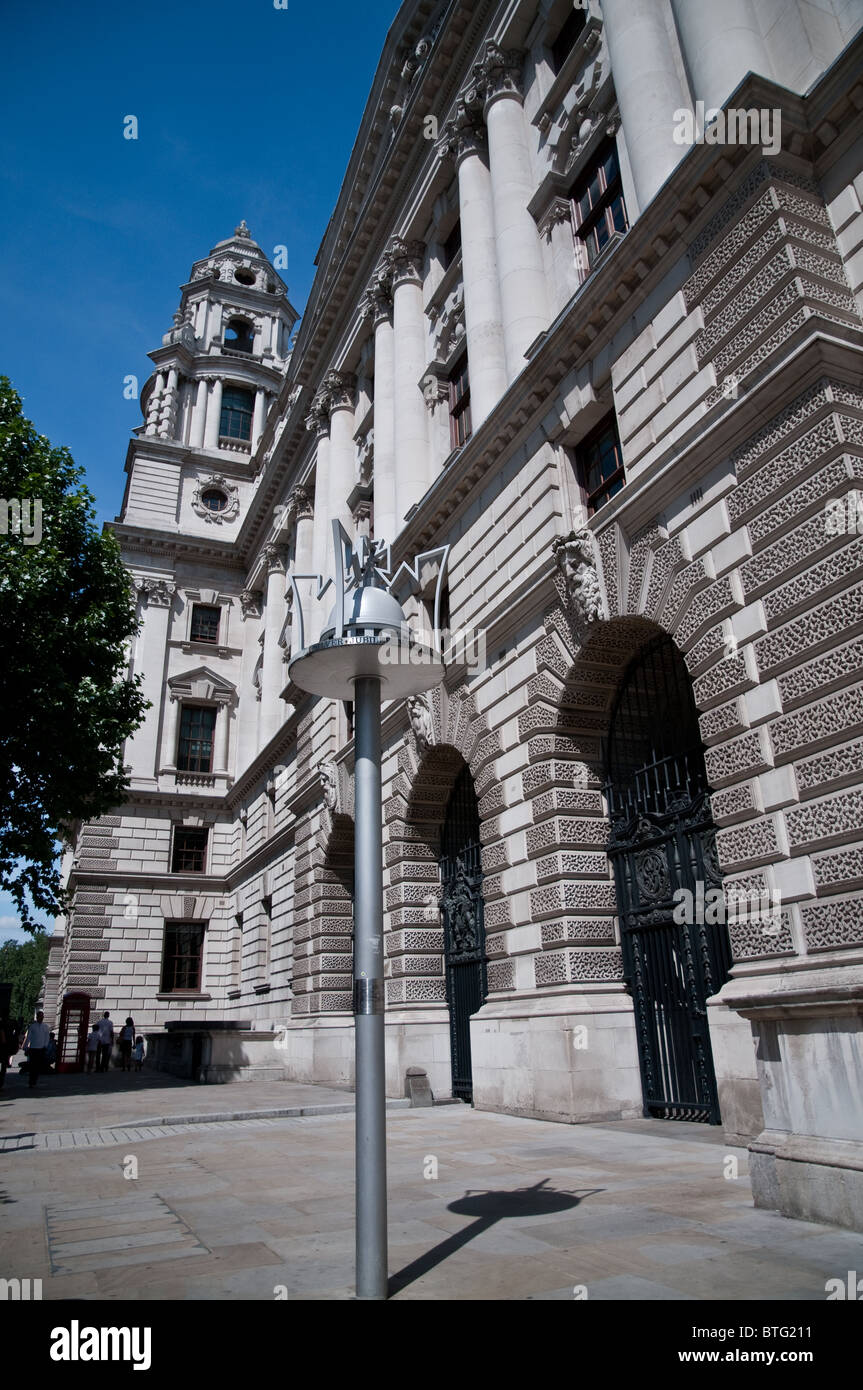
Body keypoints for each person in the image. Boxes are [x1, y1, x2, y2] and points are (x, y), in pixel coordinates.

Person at [23, 1011, 50, 1088]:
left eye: (42, 1016)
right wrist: (25, 1047)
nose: (41, 1018)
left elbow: (47, 1037)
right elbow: (28, 1037)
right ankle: (31, 1081)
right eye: (40, 1016)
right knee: (32, 1065)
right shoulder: (32, 1026)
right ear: (37, 1017)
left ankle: (34, 1080)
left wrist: (45, 1045)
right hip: (33, 1048)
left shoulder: (45, 1027)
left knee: (38, 1066)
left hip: (41, 1048)